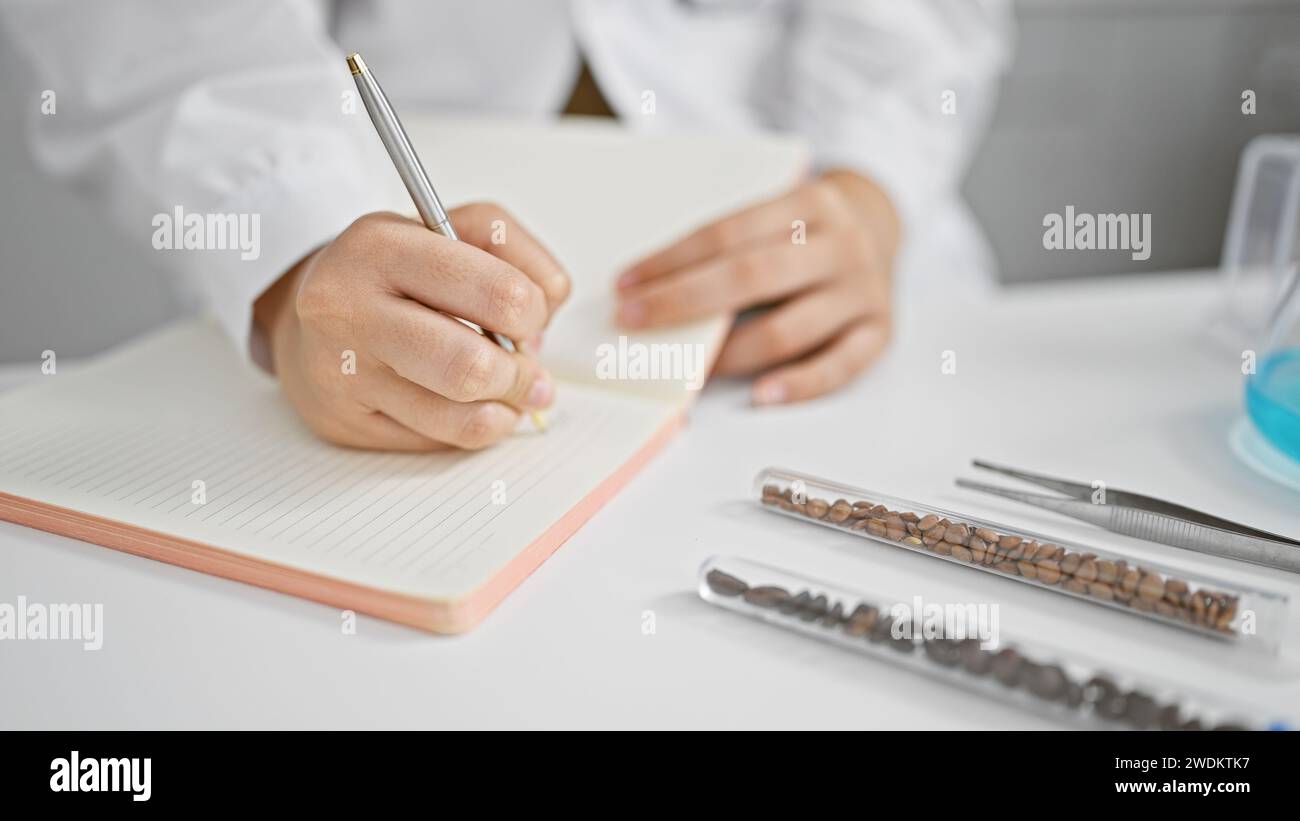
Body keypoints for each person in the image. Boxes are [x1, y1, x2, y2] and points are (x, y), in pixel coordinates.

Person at [0, 0, 1010, 450]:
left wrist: (871, 194)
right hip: (385, 294)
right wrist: (293, 247)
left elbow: (921, 27)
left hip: (830, 311)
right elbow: (158, 30)